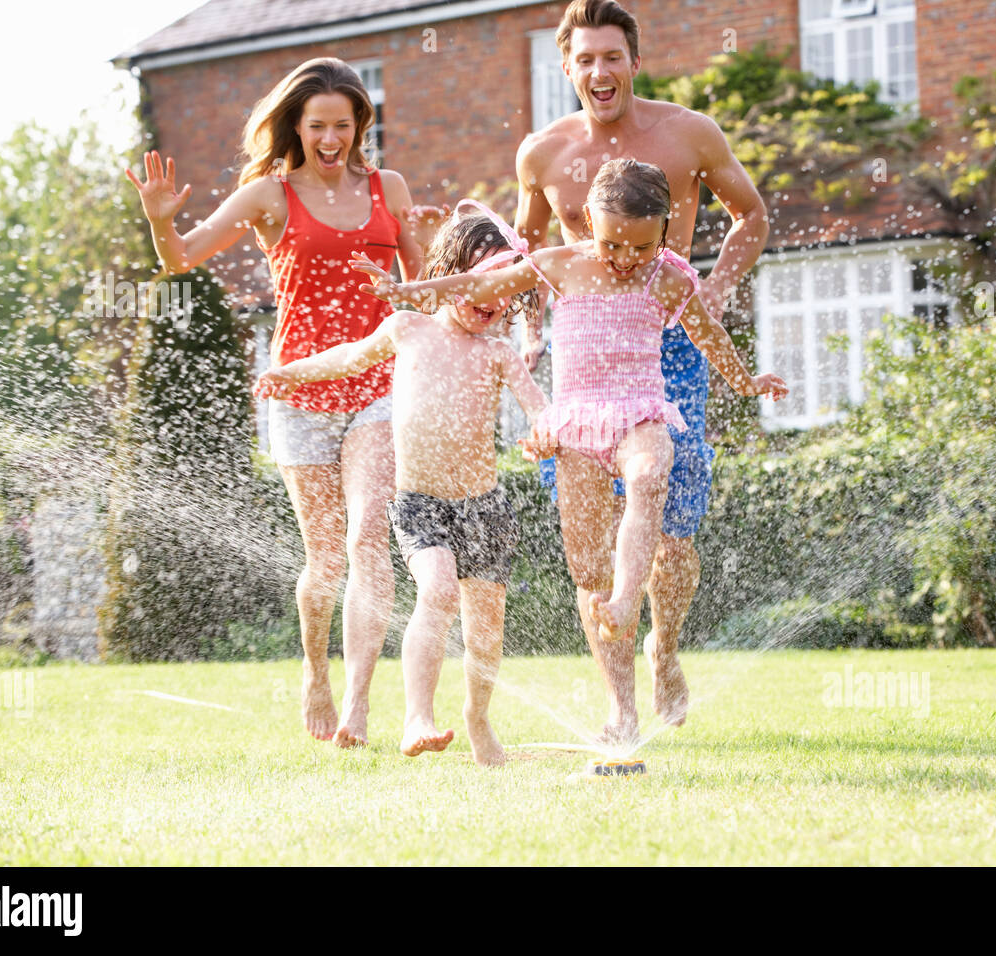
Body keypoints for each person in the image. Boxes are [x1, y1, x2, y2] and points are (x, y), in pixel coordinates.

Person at [351, 162, 786, 747]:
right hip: (577, 427)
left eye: (641, 246)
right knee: (588, 574)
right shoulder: (557, 265)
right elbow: (475, 288)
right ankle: (621, 707)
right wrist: (405, 293)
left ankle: (628, 600)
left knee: (650, 475)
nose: (625, 258)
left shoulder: (667, 280)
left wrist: (746, 381)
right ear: (587, 224)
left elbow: (710, 335)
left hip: (640, 412)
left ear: (665, 230)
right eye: (612, 243)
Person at [127, 57, 434, 748]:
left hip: (378, 384)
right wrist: (159, 221)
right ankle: (315, 671)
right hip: (298, 392)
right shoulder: (268, 194)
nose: (331, 139)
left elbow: (419, 285)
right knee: (325, 559)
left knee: (368, 536)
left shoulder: (388, 187)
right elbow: (182, 257)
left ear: (360, 126)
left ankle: (357, 702)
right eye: (317, 125)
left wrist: (427, 249)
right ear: (296, 126)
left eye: (343, 126)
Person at [514, 0, 771, 733]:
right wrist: (530, 331)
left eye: (612, 57)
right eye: (585, 59)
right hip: (586, 362)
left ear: (634, 60)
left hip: (672, 347)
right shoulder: (543, 154)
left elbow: (752, 215)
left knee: (674, 529)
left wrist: (712, 292)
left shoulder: (689, 134)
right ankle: (619, 706)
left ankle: (665, 646)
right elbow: (525, 255)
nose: (600, 71)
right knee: (591, 552)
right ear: (567, 67)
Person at [254, 211, 548, 766]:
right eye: (479, 280)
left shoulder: (498, 354)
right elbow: (348, 358)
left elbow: (539, 408)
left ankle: (477, 717)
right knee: (437, 592)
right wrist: (290, 373)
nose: (492, 297)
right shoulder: (408, 329)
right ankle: (418, 718)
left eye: (504, 287)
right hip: (421, 506)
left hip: (484, 509)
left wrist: (544, 433)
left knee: (485, 631)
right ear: (447, 274)